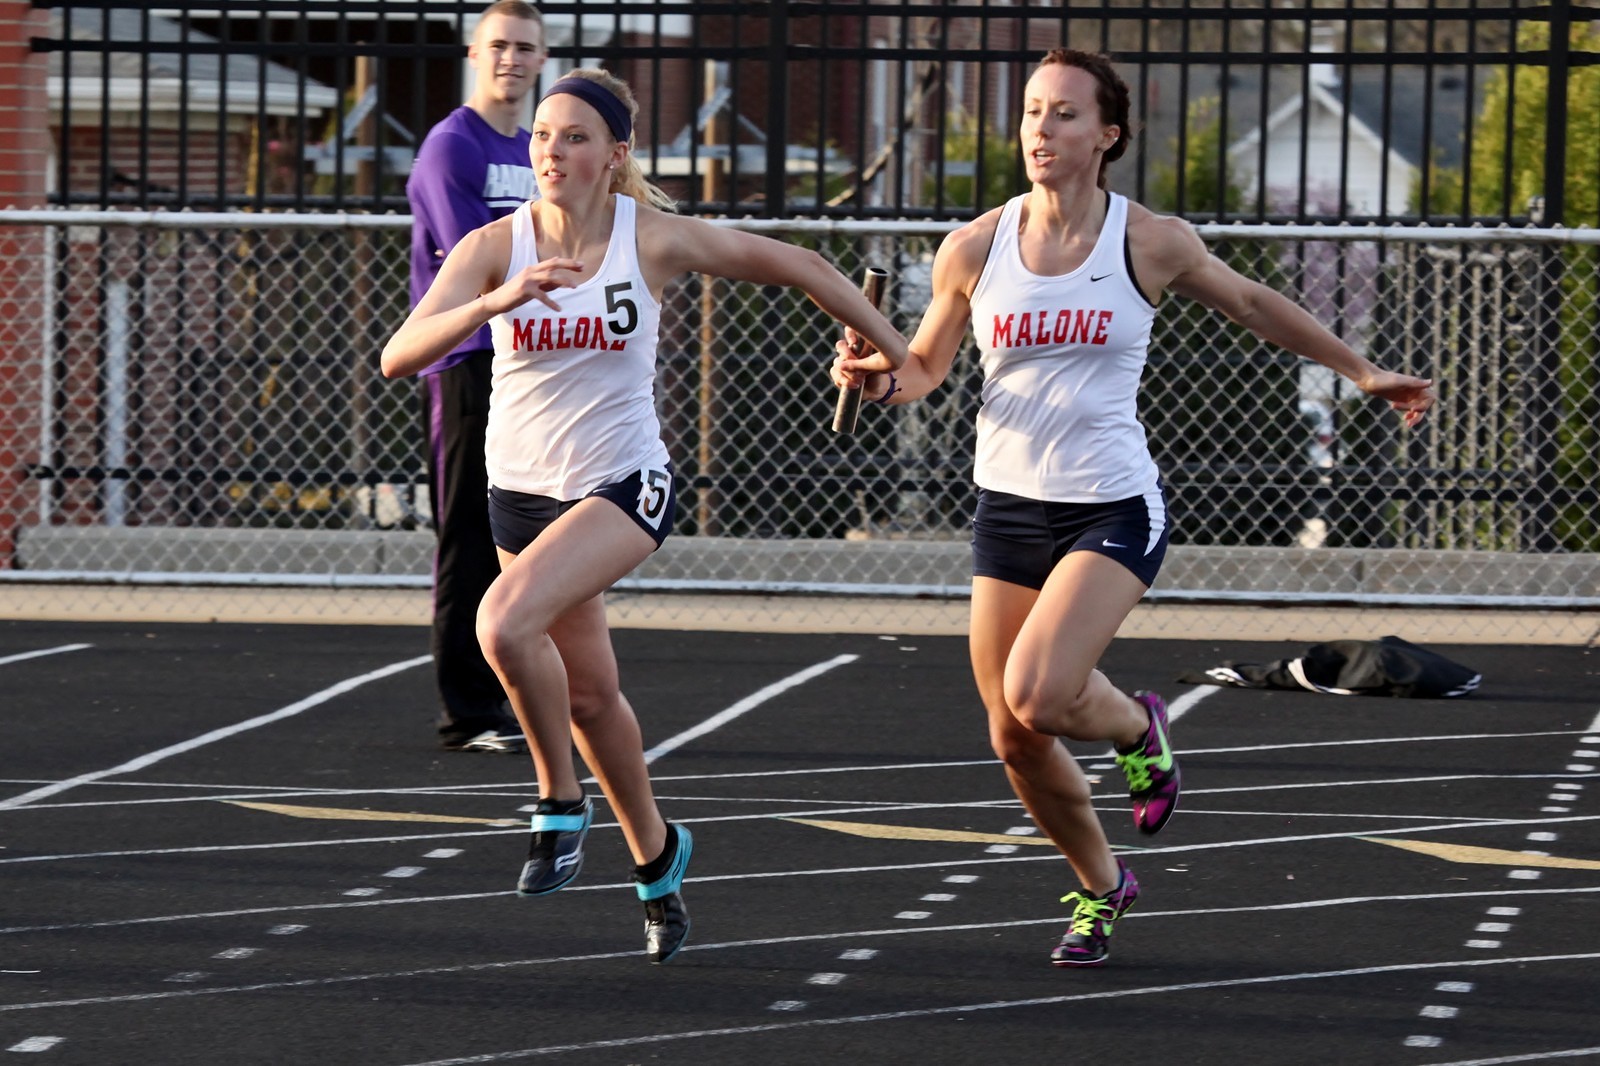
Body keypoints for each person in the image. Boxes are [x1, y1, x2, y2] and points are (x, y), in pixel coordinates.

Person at [832, 48, 1435, 967]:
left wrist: (1361, 371)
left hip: (1110, 508)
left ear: (1107, 134)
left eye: (1065, 114)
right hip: (1009, 510)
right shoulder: (973, 247)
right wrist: (879, 379)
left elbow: (1252, 301)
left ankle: (1138, 727)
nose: (1042, 128)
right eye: (1033, 111)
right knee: (1013, 735)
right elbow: (924, 370)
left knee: (1039, 691)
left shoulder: (1147, 240)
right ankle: (1102, 888)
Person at [381, 68, 908, 963]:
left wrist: (898, 352)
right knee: (590, 697)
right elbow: (400, 356)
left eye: (576, 136)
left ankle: (558, 803)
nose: (553, 149)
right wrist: (492, 301)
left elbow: (805, 267)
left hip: (622, 484)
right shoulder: (493, 247)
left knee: (502, 624)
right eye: (544, 134)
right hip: (521, 493)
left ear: (614, 154)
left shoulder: (649, 240)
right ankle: (659, 861)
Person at [405, 0, 545, 753]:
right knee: (464, 528)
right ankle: (466, 708)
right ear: (472, 53)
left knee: (522, 528)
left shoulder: (530, 147)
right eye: (498, 45)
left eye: (525, 47)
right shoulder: (450, 148)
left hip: (530, 362)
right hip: (467, 360)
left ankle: (508, 690)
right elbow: (474, 259)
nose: (511, 59)